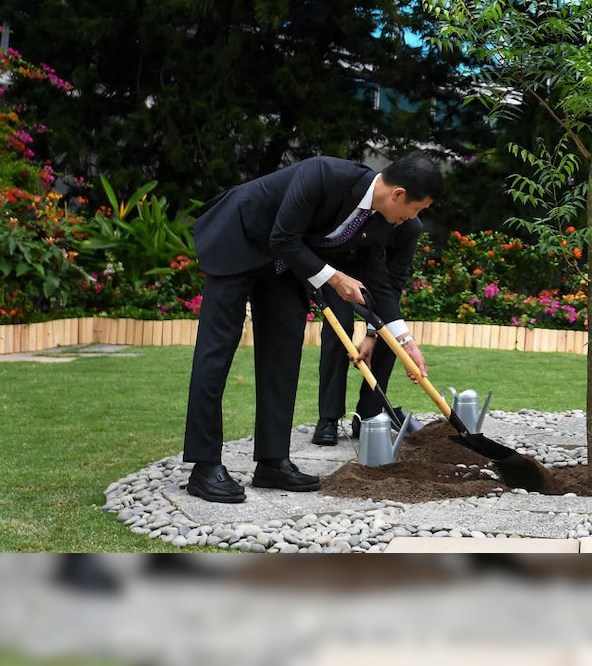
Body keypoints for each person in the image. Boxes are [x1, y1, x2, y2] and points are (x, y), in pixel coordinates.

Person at [183, 151, 442, 503]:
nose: (414, 218)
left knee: (283, 356)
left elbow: (378, 284)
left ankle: (272, 462)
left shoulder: (380, 219)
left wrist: (404, 340)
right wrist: (335, 279)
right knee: (215, 355)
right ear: (398, 194)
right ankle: (204, 467)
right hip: (240, 240)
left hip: (284, 266)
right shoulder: (324, 174)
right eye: (417, 209)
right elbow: (283, 237)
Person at [311, 215, 426, 445]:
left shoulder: (411, 228)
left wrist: (373, 334)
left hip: (378, 283)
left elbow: (393, 283)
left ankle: (368, 416)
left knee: (390, 335)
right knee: (339, 327)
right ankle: (329, 419)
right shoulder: (366, 212)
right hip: (339, 274)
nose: (408, 216)